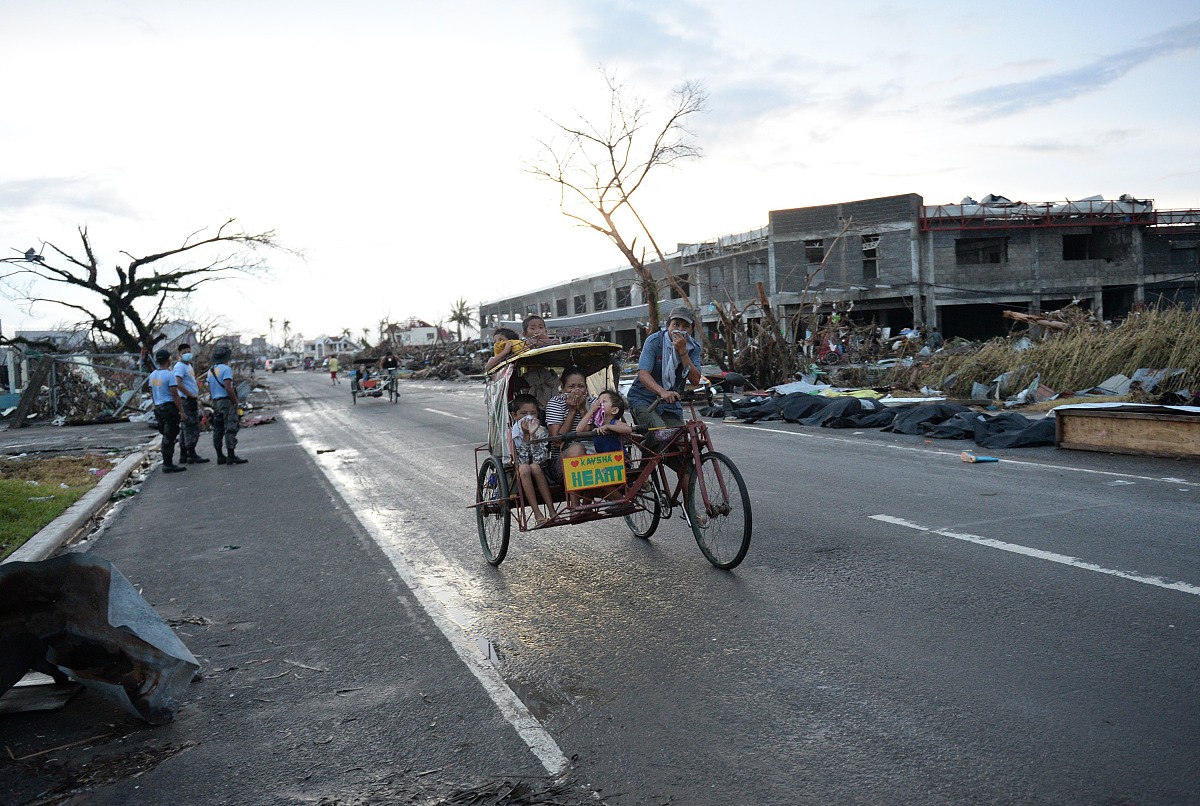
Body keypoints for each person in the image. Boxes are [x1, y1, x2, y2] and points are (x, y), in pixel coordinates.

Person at [626, 306, 703, 490]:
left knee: (685, 455)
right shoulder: (654, 341)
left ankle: (691, 514)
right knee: (660, 432)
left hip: (671, 405)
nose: (680, 329)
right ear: (668, 325)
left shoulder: (693, 348)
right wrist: (662, 391)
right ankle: (641, 474)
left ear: (691, 330)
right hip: (644, 400)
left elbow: (695, 378)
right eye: (676, 324)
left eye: (685, 326)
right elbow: (643, 374)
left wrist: (683, 353)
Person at [545, 366, 596, 504]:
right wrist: (572, 411)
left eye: (581, 386)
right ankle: (575, 505)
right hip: (561, 461)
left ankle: (587, 503)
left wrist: (583, 409)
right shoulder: (555, 403)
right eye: (571, 386)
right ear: (562, 387)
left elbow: (592, 430)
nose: (576, 391)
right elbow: (557, 441)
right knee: (577, 449)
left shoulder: (593, 402)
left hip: (593, 454)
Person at [509, 393, 555, 525]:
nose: (528, 417)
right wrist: (525, 435)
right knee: (524, 468)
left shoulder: (542, 431)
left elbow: (539, 459)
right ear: (515, 415)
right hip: (520, 469)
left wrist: (533, 434)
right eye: (523, 413)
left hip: (540, 468)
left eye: (532, 413)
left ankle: (551, 511)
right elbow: (522, 460)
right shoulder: (513, 432)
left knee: (534, 466)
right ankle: (537, 514)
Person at [206, 345, 248, 465]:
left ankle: (220, 456)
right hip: (226, 401)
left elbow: (210, 388)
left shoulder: (211, 370)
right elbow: (228, 387)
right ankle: (231, 455)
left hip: (216, 402)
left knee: (218, 429)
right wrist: (235, 401)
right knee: (230, 427)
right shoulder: (226, 369)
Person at [148, 348, 187, 474]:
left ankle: (167, 462)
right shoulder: (170, 375)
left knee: (165, 434)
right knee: (170, 435)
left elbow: (152, 393)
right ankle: (168, 463)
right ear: (168, 360)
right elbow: (175, 394)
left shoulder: (153, 375)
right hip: (169, 407)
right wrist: (181, 410)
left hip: (158, 407)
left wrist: (155, 405)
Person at [173, 343, 208, 464]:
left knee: (185, 427)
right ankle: (191, 453)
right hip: (187, 400)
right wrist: (189, 394)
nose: (187, 354)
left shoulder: (188, 366)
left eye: (188, 352)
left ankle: (184, 454)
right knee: (191, 426)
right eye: (184, 353)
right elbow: (177, 382)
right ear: (179, 354)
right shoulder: (180, 367)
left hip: (190, 399)